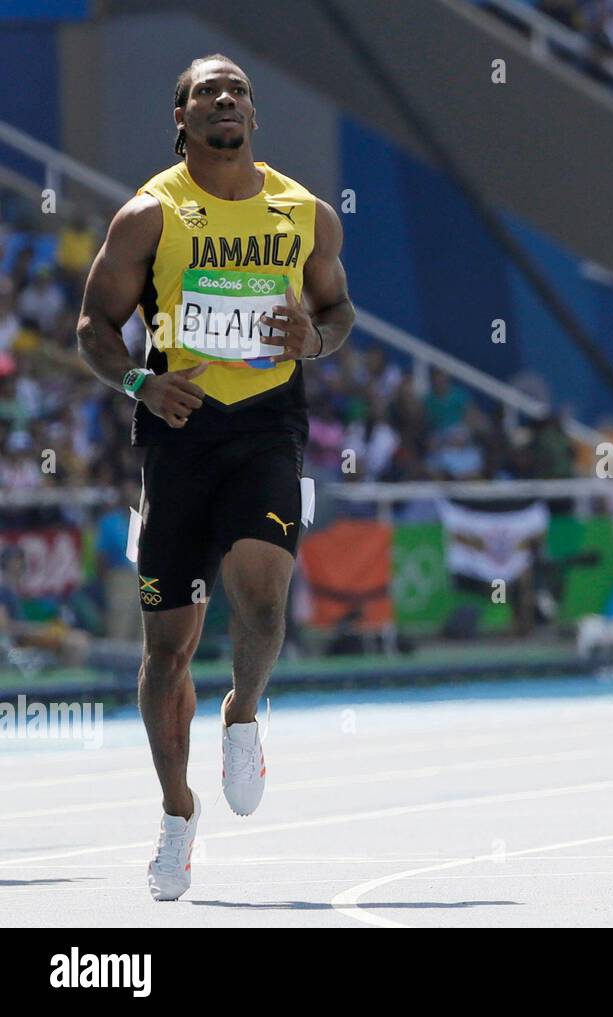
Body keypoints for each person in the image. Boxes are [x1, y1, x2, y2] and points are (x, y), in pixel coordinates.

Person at [76, 55, 355, 899]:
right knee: (166, 652)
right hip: (179, 432)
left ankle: (241, 712)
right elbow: (94, 325)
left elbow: (339, 311)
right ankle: (175, 813)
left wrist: (315, 340)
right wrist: (138, 382)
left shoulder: (303, 213)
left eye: (236, 90)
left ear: (253, 116)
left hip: (267, 421)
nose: (224, 99)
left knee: (264, 593)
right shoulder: (149, 216)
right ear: (183, 117)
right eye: (207, 91)